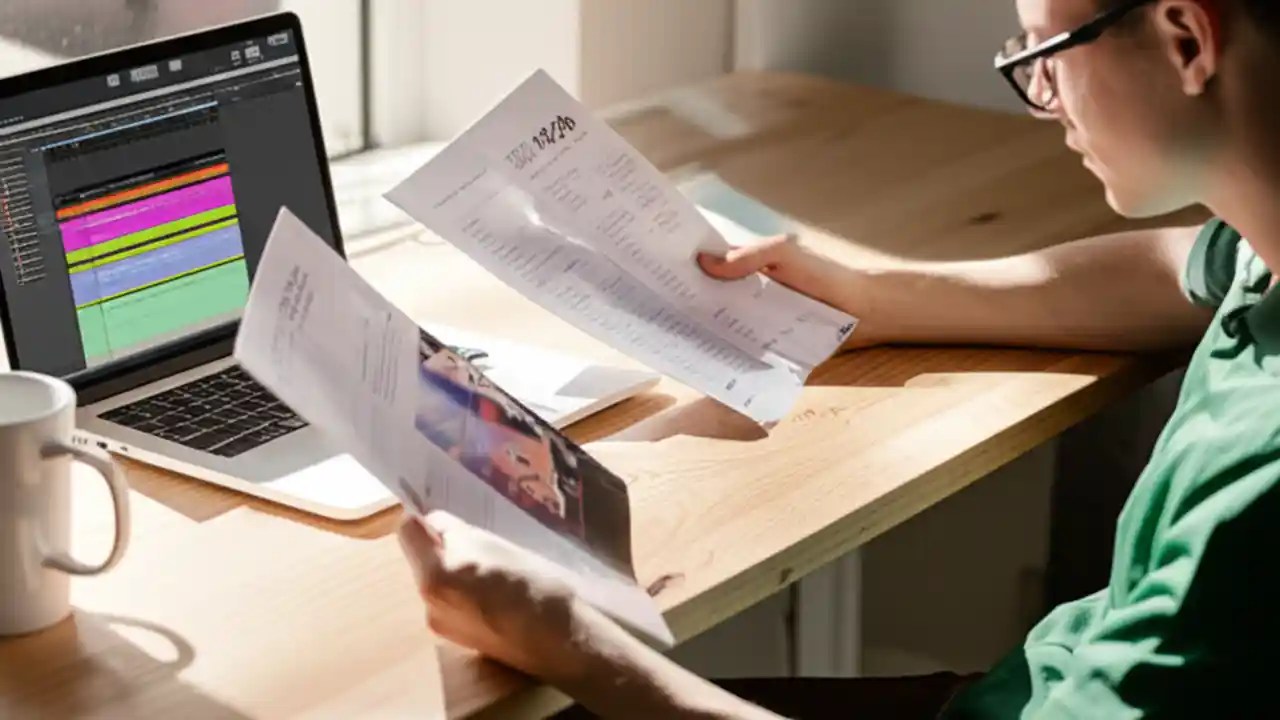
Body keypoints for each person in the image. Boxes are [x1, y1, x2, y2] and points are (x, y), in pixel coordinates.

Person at [396, 0, 1280, 716]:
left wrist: (575, 645)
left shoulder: (1257, 484)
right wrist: (877, 297)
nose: (1042, 100)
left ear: (1185, 39)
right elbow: (1178, 269)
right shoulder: (1264, 241)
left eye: (1047, 55)